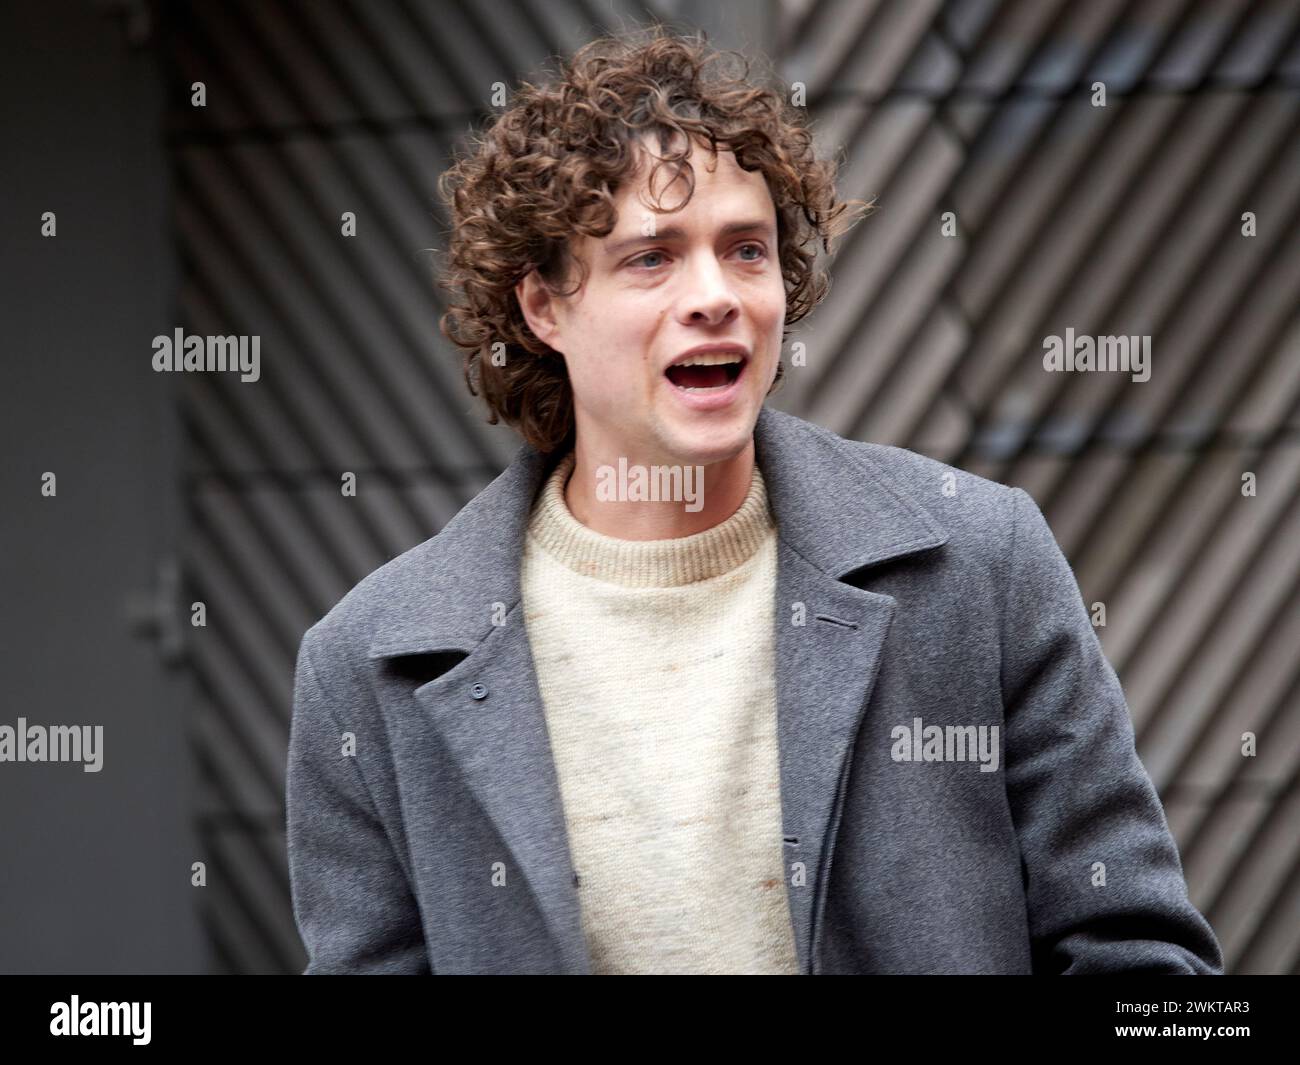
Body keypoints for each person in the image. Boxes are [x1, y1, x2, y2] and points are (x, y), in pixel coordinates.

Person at [285, 26, 1223, 975]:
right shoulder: (368, 665)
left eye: (745, 249)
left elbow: (1141, 957)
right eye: (651, 257)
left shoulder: (979, 564)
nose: (715, 295)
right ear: (543, 307)